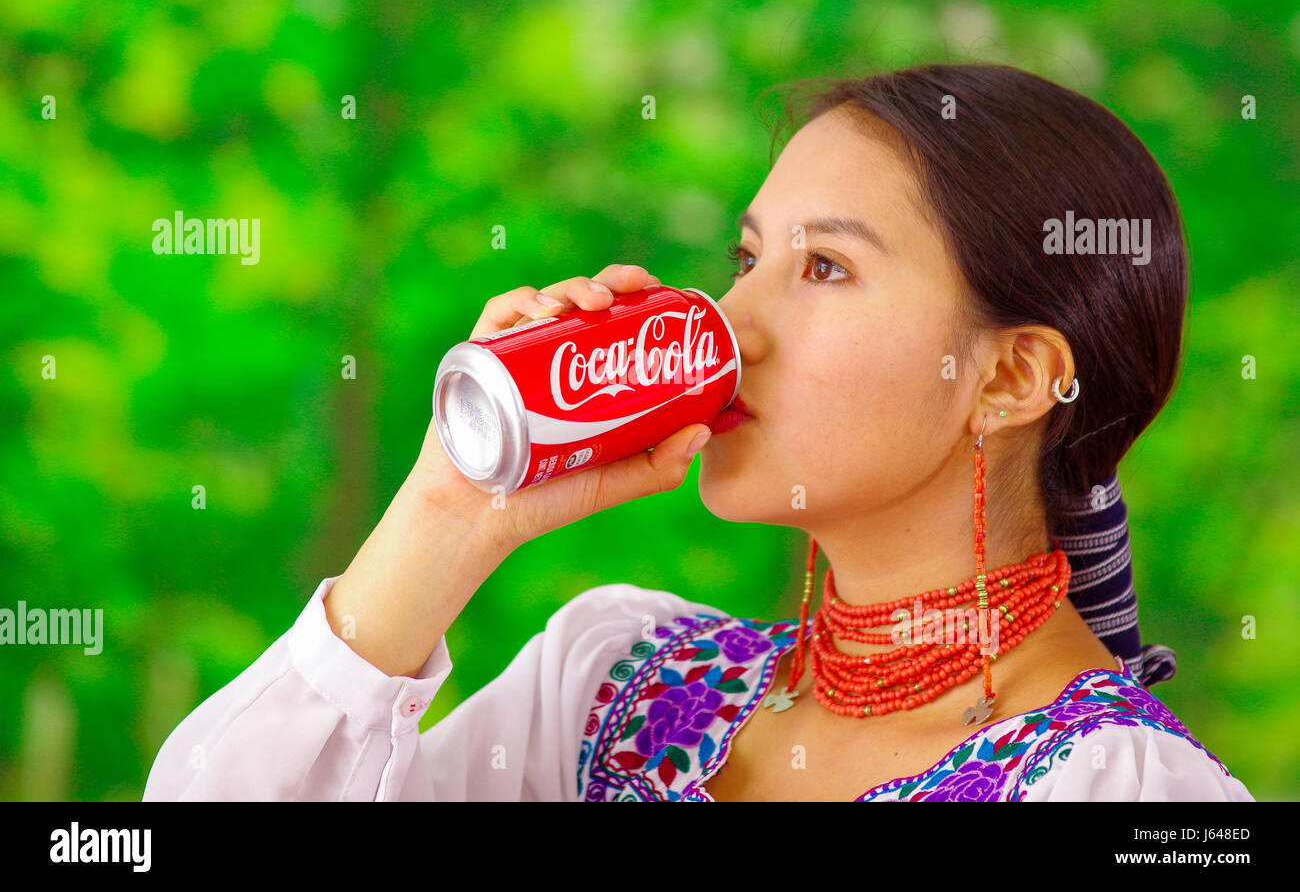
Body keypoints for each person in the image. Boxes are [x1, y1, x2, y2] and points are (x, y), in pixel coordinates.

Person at [142, 63, 1254, 801]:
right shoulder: (613, 679)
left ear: (1010, 377)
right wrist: (448, 514)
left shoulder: (1126, 790)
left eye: (825, 267)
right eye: (745, 258)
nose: (732, 324)